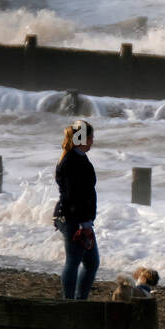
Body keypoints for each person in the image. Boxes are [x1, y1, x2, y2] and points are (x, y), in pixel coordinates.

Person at [54, 120, 99, 300]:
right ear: (82, 138)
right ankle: (70, 302)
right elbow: (74, 196)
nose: (92, 141)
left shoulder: (78, 157)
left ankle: (79, 301)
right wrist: (84, 223)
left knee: (91, 262)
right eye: (90, 137)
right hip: (73, 218)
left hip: (77, 217)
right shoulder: (72, 160)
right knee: (73, 261)